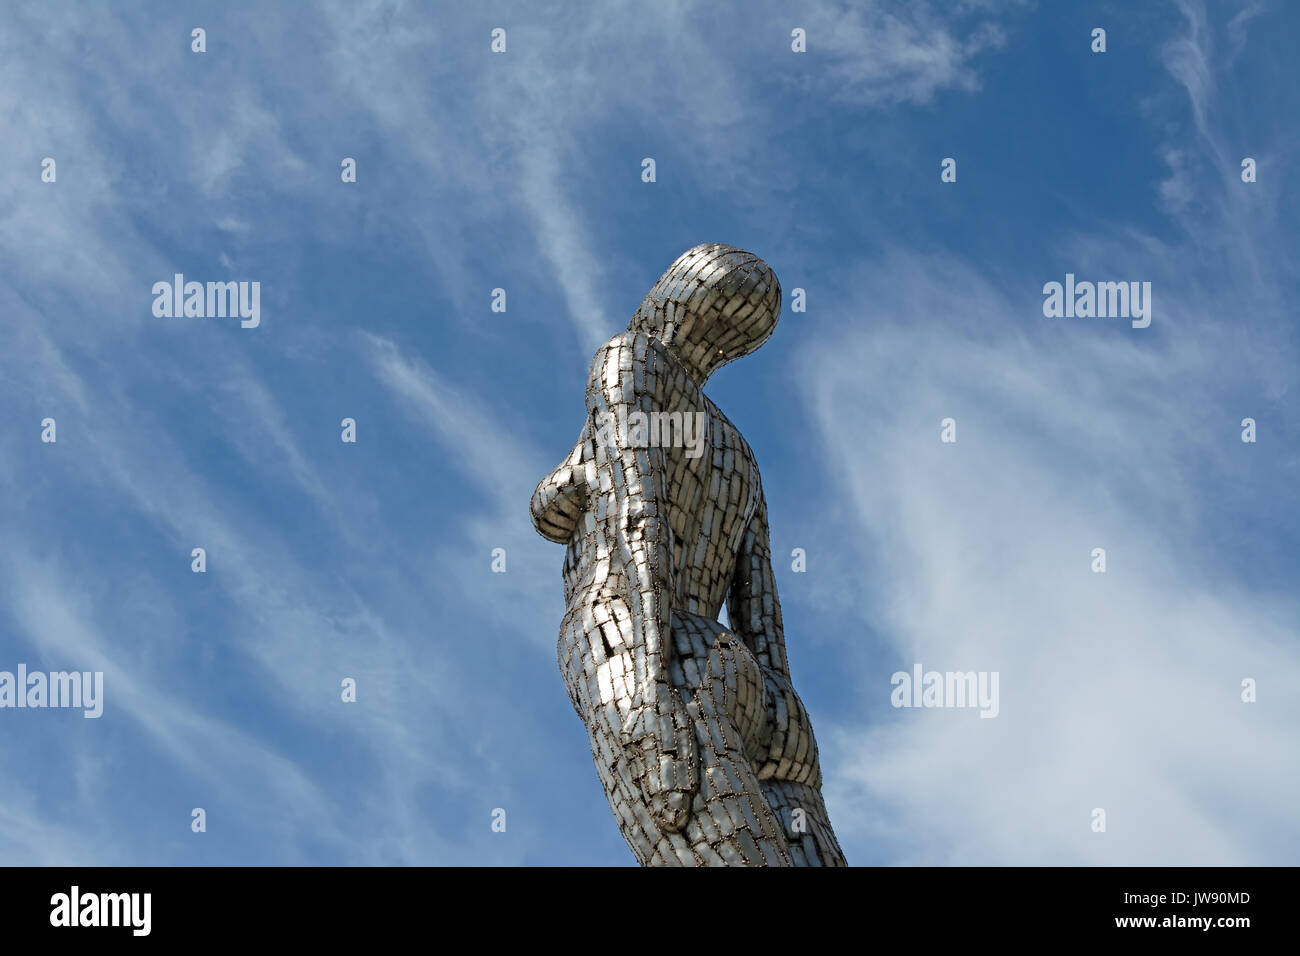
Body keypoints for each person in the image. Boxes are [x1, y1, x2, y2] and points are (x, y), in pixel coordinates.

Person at [530, 244, 846, 866]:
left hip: (647, 641)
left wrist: (648, 691)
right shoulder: (738, 452)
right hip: (755, 689)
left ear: (677, 292)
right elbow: (764, 624)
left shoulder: (631, 362)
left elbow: (636, 519)